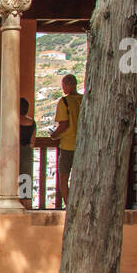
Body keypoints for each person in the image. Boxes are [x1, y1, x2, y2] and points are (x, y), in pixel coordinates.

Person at [49, 74, 82, 206]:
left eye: (63, 85)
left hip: (68, 145)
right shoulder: (84, 100)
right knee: (80, 178)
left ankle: (69, 206)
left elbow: (64, 125)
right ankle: (80, 204)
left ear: (67, 85)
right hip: (83, 146)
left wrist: (53, 135)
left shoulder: (64, 102)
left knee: (63, 177)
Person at [19, 97, 36, 209]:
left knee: (14, 178)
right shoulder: (32, 122)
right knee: (26, 178)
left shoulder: (14, 122)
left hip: (16, 151)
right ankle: (28, 207)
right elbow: (32, 141)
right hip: (28, 152)